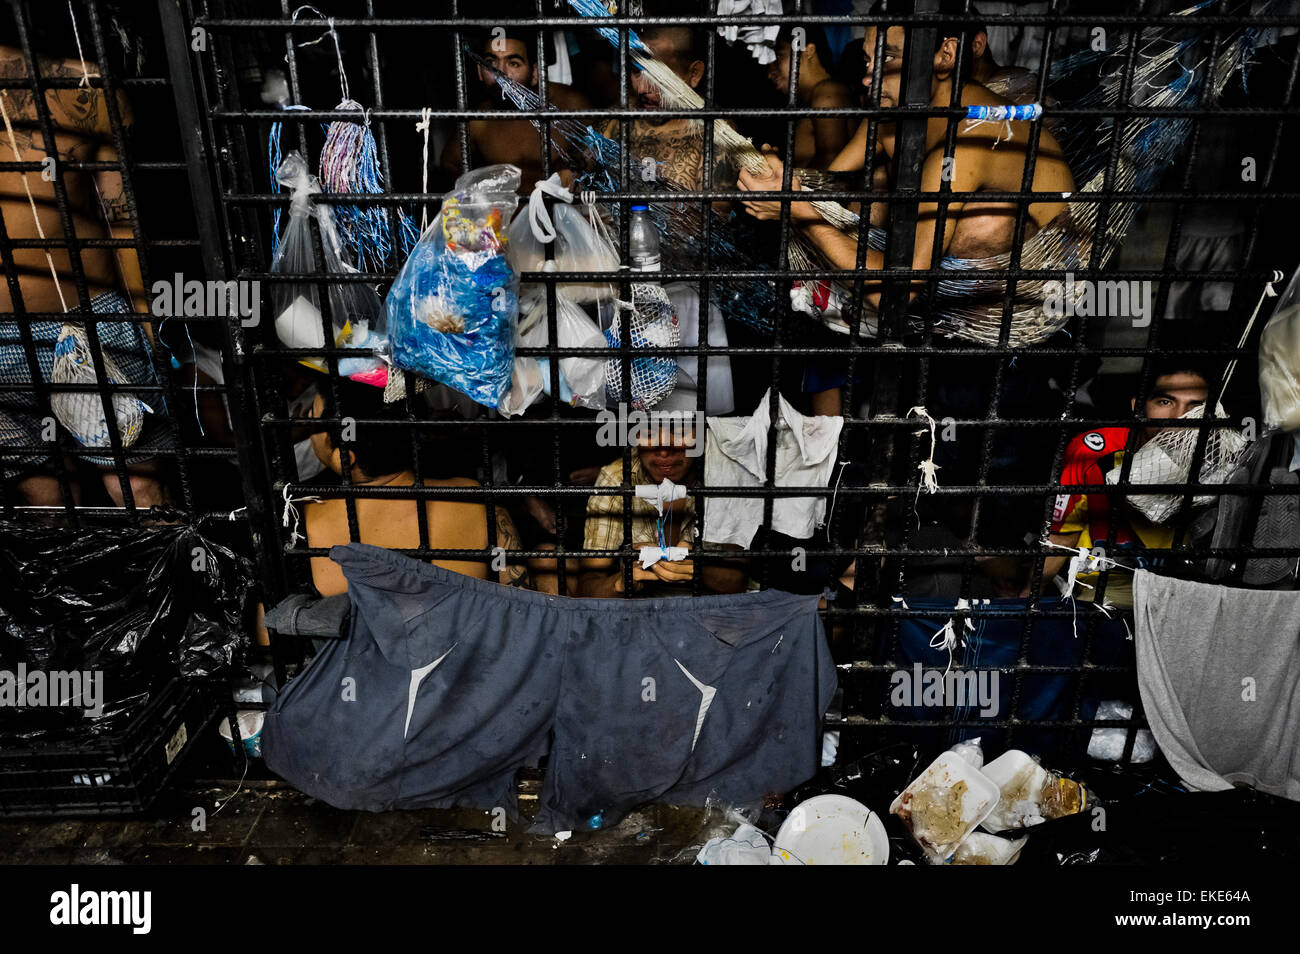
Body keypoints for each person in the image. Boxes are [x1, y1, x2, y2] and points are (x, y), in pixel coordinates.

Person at [736, 11, 1075, 304]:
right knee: (872, 195)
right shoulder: (892, 120)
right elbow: (830, 182)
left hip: (1042, 294)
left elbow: (894, 296)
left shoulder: (967, 141)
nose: (868, 77)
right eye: (869, 61)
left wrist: (799, 213)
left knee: (980, 221)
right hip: (958, 293)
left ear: (946, 54)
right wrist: (785, 179)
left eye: (888, 59)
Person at [0, 37, 170, 511]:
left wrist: (143, 317)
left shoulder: (86, 85)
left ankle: (178, 584)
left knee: (135, 484)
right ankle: (78, 589)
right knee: (42, 498)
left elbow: (123, 220)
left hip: (90, 317)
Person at [1038, 362, 1213, 607]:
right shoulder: (1094, 452)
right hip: (1109, 584)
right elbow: (1062, 536)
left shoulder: (1221, 455)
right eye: (1165, 402)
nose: (1179, 417)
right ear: (1138, 408)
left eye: (1196, 406)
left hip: (1185, 585)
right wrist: (1027, 600)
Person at [301, 379, 495, 596]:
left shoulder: (305, 519)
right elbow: (519, 606)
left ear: (344, 460)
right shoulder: (472, 498)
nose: (306, 424)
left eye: (312, 421)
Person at [580, 423, 747, 597]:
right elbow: (587, 585)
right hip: (639, 613)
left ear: (703, 434)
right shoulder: (617, 478)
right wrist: (620, 583)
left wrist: (699, 568)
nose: (664, 450)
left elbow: (738, 581)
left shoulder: (725, 476)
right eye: (649, 431)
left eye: (680, 431)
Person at [440, 28, 590, 193]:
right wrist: (477, 200)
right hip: (504, 216)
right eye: (491, 63)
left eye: (513, 63)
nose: (500, 73)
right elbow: (449, 164)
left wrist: (579, 172)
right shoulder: (478, 121)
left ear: (534, 73)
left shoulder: (569, 104)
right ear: (479, 72)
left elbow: (605, 148)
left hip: (559, 214)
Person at [767, 24, 855, 169]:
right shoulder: (815, 97)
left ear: (808, 51)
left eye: (779, 56)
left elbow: (831, 164)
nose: (770, 73)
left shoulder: (828, 92)